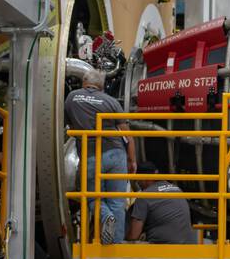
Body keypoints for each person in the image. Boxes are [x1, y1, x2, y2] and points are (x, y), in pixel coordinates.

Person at [63, 58, 135, 244]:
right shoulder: (111, 101)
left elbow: (66, 125)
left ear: (84, 82)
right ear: (101, 86)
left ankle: (105, 217)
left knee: (92, 197)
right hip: (117, 154)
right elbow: (128, 135)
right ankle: (115, 244)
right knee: (117, 201)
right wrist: (132, 160)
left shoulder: (73, 98)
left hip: (91, 154)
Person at [126, 161, 194, 244]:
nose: (138, 184)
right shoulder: (177, 189)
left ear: (144, 178)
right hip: (189, 247)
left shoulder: (144, 196)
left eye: (138, 181)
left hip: (163, 249)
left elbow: (133, 235)